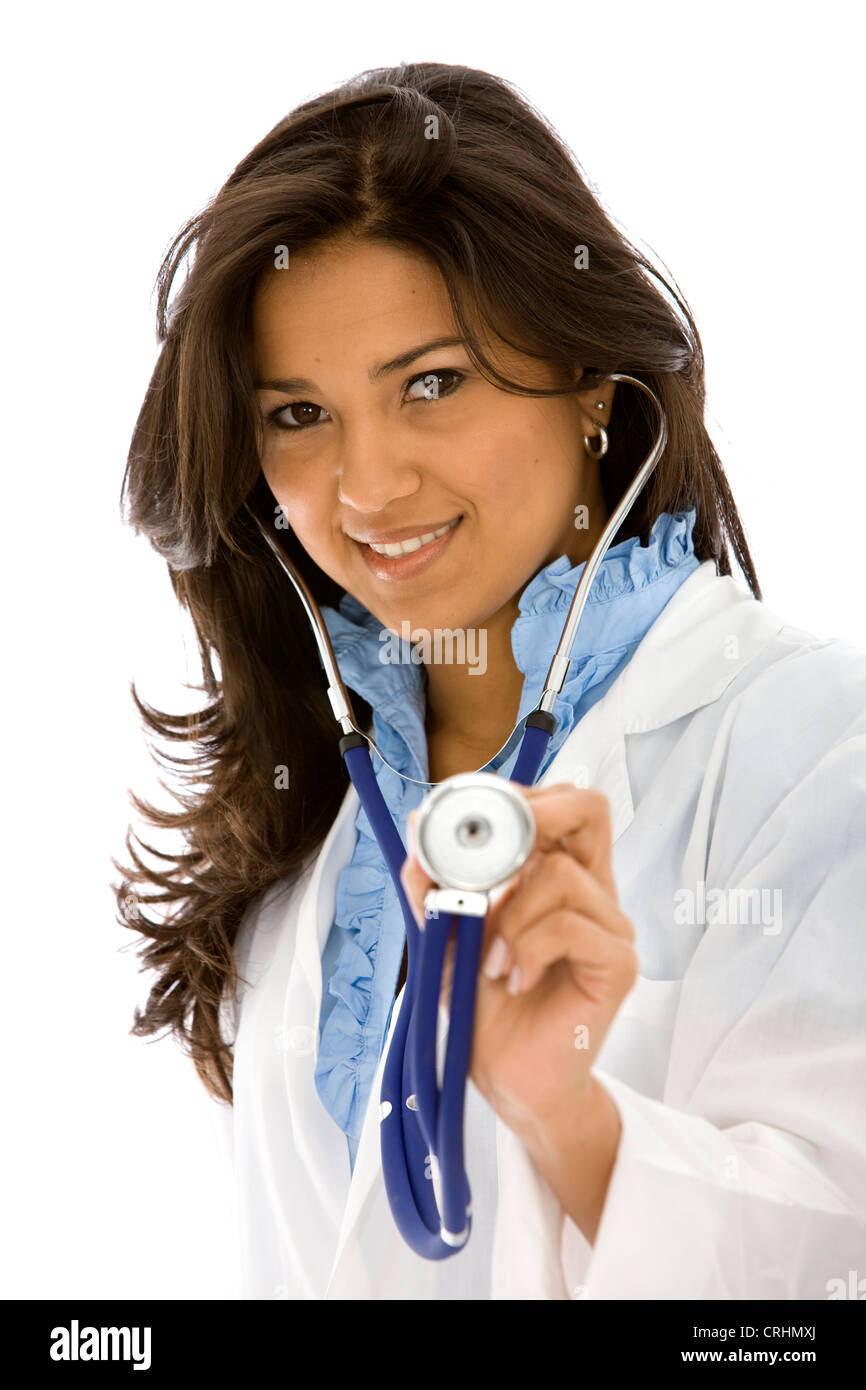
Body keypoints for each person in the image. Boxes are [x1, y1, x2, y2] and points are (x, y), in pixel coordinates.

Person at [115, 60, 866, 1299]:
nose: (366, 490)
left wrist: (566, 1113)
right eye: (297, 415)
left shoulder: (807, 743)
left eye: (431, 384)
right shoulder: (309, 814)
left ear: (588, 385)